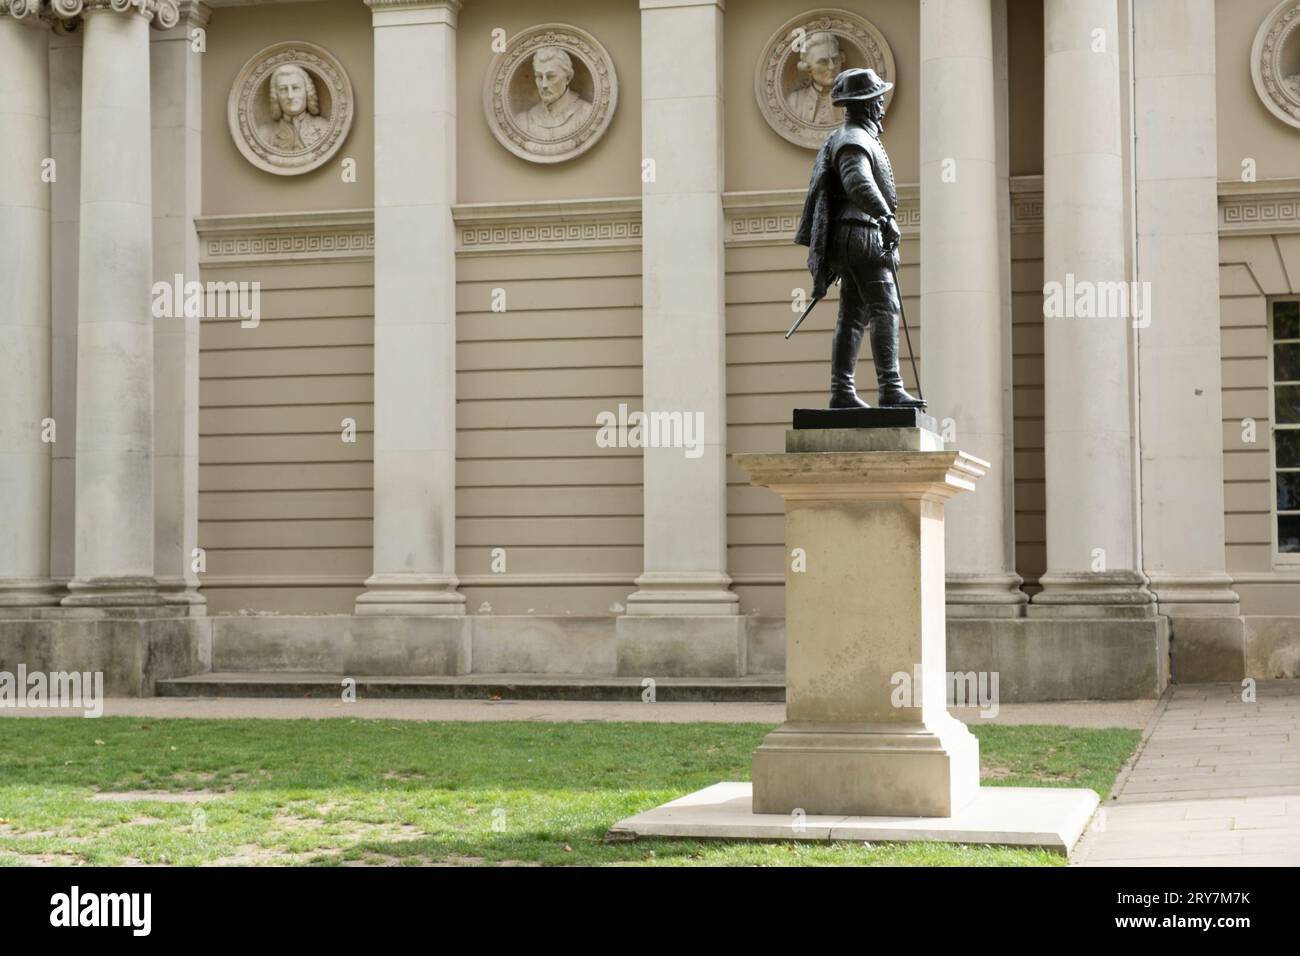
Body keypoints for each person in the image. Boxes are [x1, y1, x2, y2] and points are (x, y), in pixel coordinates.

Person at [794, 67, 925, 409]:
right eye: (877, 100)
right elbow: (857, 182)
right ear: (866, 105)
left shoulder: (853, 136)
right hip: (862, 236)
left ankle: (842, 391)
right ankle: (891, 388)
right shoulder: (853, 138)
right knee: (885, 306)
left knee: (852, 316)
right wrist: (884, 215)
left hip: (854, 236)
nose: (881, 106)